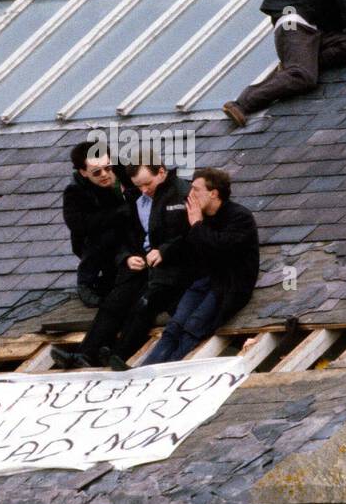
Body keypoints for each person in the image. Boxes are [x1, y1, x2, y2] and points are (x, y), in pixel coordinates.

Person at [51, 163, 193, 370]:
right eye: (139, 185)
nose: (144, 190)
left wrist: (164, 251)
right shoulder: (136, 198)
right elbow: (126, 236)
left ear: (161, 173)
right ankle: (85, 353)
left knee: (143, 305)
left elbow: (191, 236)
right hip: (143, 263)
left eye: (147, 183)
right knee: (114, 300)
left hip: (172, 267)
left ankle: (118, 355)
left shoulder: (182, 194)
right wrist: (126, 257)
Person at [135, 168, 259, 368]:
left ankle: (171, 369)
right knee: (174, 325)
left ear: (214, 193)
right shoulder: (198, 217)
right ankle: (146, 369)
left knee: (194, 326)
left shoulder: (239, 217)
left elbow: (221, 249)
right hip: (204, 280)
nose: (190, 195)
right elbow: (188, 248)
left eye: (196, 190)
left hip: (229, 283)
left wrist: (197, 225)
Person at [61, 141, 127, 307]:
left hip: (123, 236)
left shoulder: (124, 171)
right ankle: (85, 283)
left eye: (108, 168)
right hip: (93, 244)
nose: (104, 174)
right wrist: (118, 213)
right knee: (104, 233)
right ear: (83, 172)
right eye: (97, 172)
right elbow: (78, 225)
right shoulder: (75, 191)